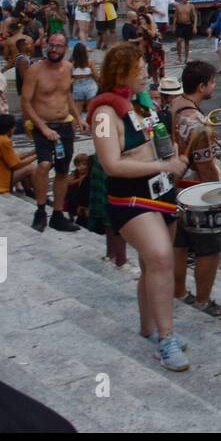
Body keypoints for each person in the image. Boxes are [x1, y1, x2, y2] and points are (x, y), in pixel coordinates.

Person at [90, 43, 191, 371]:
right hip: (131, 199)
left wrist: (172, 159)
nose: (147, 73)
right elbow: (111, 164)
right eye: (141, 68)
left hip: (159, 195)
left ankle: (149, 329)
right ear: (123, 72)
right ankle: (166, 337)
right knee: (161, 258)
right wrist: (161, 167)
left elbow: (151, 148)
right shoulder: (104, 114)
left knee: (153, 265)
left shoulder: (141, 106)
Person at [169, 61, 221, 317]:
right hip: (197, 189)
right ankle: (203, 300)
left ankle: (180, 292)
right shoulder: (199, 125)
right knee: (210, 247)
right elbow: (206, 167)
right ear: (202, 85)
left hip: (177, 186)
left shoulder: (175, 106)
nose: (214, 86)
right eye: (212, 82)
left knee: (180, 243)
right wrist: (218, 194)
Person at [21, 33, 82, 233]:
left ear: (65, 48)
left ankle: (57, 214)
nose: (54, 49)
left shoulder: (68, 68)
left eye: (59, 46)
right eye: (52, 45)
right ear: (47, 46)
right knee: (44, 165)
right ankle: (40, 211)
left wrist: (78, 118)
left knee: (63, 169)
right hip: (43, 124)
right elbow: (26, 102)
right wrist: (42, 127)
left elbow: (68, 95)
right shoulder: (35, 70)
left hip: (64, 125)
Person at [0, 113, 37, 195]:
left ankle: (29, 192)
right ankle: (39, 197)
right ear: (10, 129)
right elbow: (16, 165)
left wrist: (32, 153)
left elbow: (12, 157)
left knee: (26, 166)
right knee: (31, 168)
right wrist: (36, 156)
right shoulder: (3, 141)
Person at [69, 42, 98, 123]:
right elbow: (96, 76)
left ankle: (73, 131)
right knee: (90, 110)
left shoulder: (71, 63)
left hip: (77, 87)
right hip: (90, 86)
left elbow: (68, 77)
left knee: (76, 112)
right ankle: (90, 128)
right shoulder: (89, 62)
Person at [172, 0, 197, 64]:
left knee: (187, 42)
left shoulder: (191, 6)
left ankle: (187, 58)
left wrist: (194, 26)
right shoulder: (178, 6)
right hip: (180, 25)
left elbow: (195, 16)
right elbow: (175, 16)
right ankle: (179, 58)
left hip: (188, 25)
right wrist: (173, 26)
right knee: (179, 41)